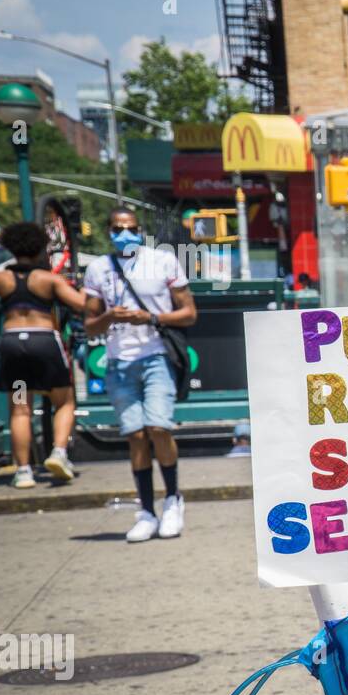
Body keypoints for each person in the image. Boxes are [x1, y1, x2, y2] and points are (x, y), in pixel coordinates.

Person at [83, 208, 197, 543]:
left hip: (156, 355)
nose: (124, 234)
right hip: (119, 360)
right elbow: (89, 324)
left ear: (140, 230)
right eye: (118, 229)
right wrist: (109, 316)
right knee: (135, 435)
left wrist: (149, 317)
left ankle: (173, 499)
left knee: (159, 427)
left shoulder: (162, 262)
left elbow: (189, 313)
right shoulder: (98, 268)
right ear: (109, 231)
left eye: (130, 228)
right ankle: (147, 510)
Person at [0, 222, 87, 488]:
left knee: (21, 409)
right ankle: (58, 453)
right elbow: (81, 305)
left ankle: (23, 471)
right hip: (43, 342)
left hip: (13, 345)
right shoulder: (49, 279)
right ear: (40, 249)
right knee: (65, 402)